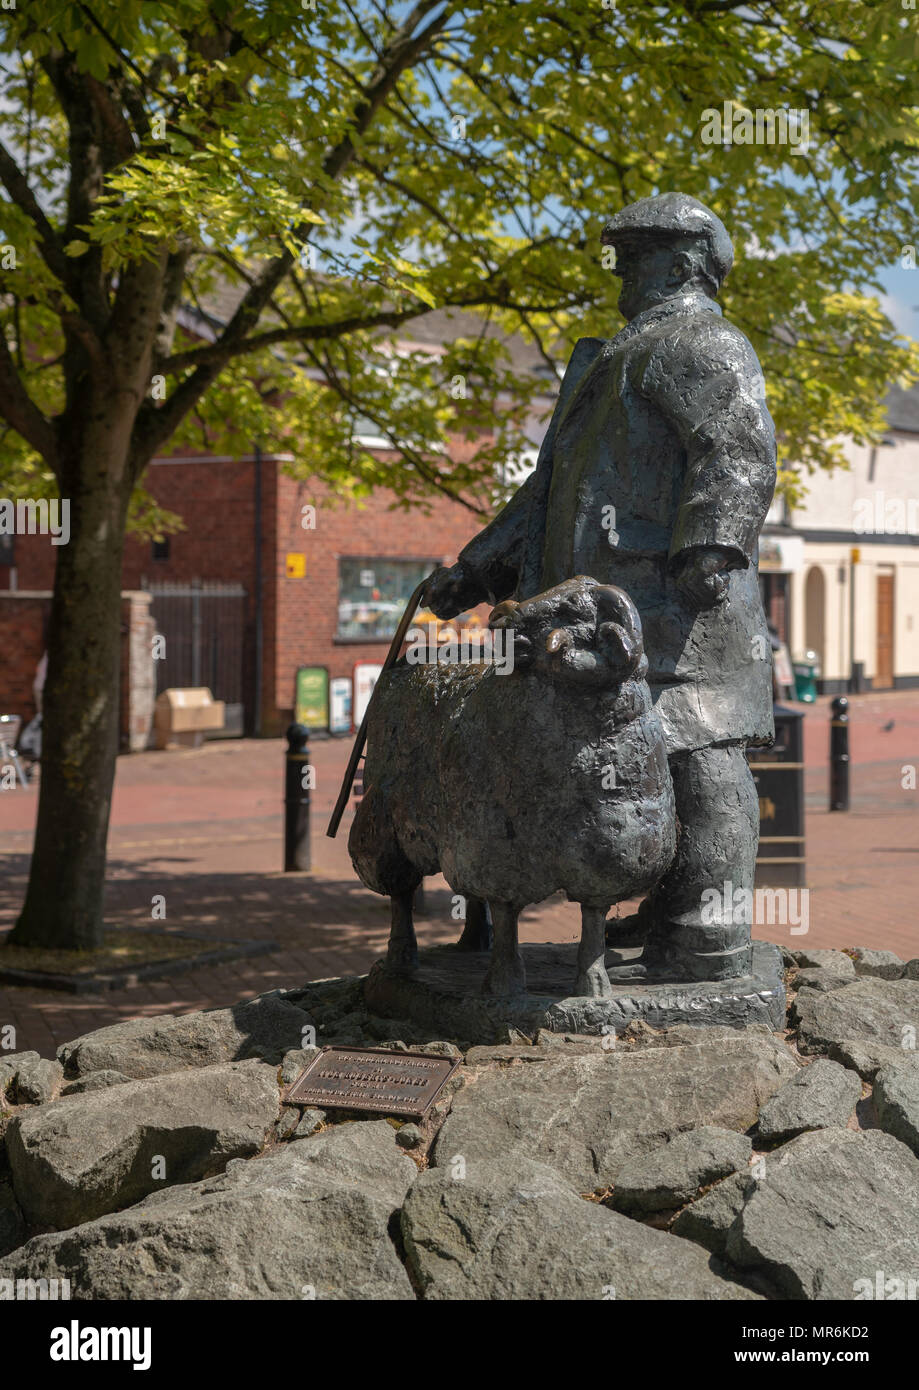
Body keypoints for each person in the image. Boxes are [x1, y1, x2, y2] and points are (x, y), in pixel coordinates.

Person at [424, 193, 777, 983]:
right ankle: (670, 898)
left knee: (698, 747)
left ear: (684, 264)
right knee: (639, 752)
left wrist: (709, 549)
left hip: (675, 596)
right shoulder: (613, 354)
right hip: (599, 604)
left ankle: (705, 932)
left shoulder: (701, 342)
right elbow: (542, 492)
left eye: (636, 255)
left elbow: (737, 452)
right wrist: (475, 571)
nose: (618, 269)